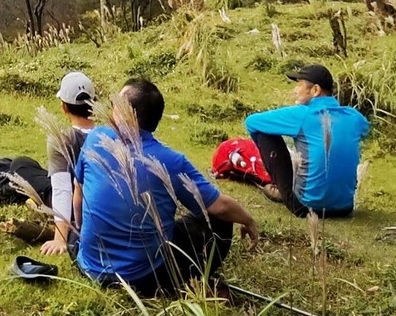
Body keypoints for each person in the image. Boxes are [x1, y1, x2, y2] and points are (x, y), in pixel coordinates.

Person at [74, 78, 261, 297]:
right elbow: (220, 206)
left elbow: (78, 195)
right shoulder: (170, 161)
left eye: (116, 103)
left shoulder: (97, 137)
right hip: (143, 278)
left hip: (89, 267)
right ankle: (189, 276)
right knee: (220, 217)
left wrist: (80, 234)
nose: (111, 106)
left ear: (126, 113)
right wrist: (247, 219)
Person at [243, 62, 369, 218]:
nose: (295, 91)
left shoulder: (302, 114)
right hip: (345, 207)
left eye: (299, 85)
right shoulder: (355, 117)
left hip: (306, 207)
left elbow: (251, 122)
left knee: (264, 133)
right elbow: (365, 130)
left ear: (315, 90)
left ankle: (281, 189)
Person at [40, 71, 100, 257]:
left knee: (23, 166)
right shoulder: (110, 133)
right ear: (94, 103)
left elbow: (62, 189)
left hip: (78, 204)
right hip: (103, 201)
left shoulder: (62, 138)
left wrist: (60, 238)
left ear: (64, 108)